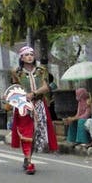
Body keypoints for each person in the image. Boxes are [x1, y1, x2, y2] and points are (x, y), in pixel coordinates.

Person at [8, 46, 58, 174]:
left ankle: (28, 157)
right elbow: (15, 88)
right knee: (26, 132)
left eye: (31, 54)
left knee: (36, 132)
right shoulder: (16, 72)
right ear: (21, 58)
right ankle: (29, 162)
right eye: (26, 55)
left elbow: (46, 87)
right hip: (24, 106)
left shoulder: (41, 71)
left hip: (39, 104)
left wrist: (34, 93)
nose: (29, 57)